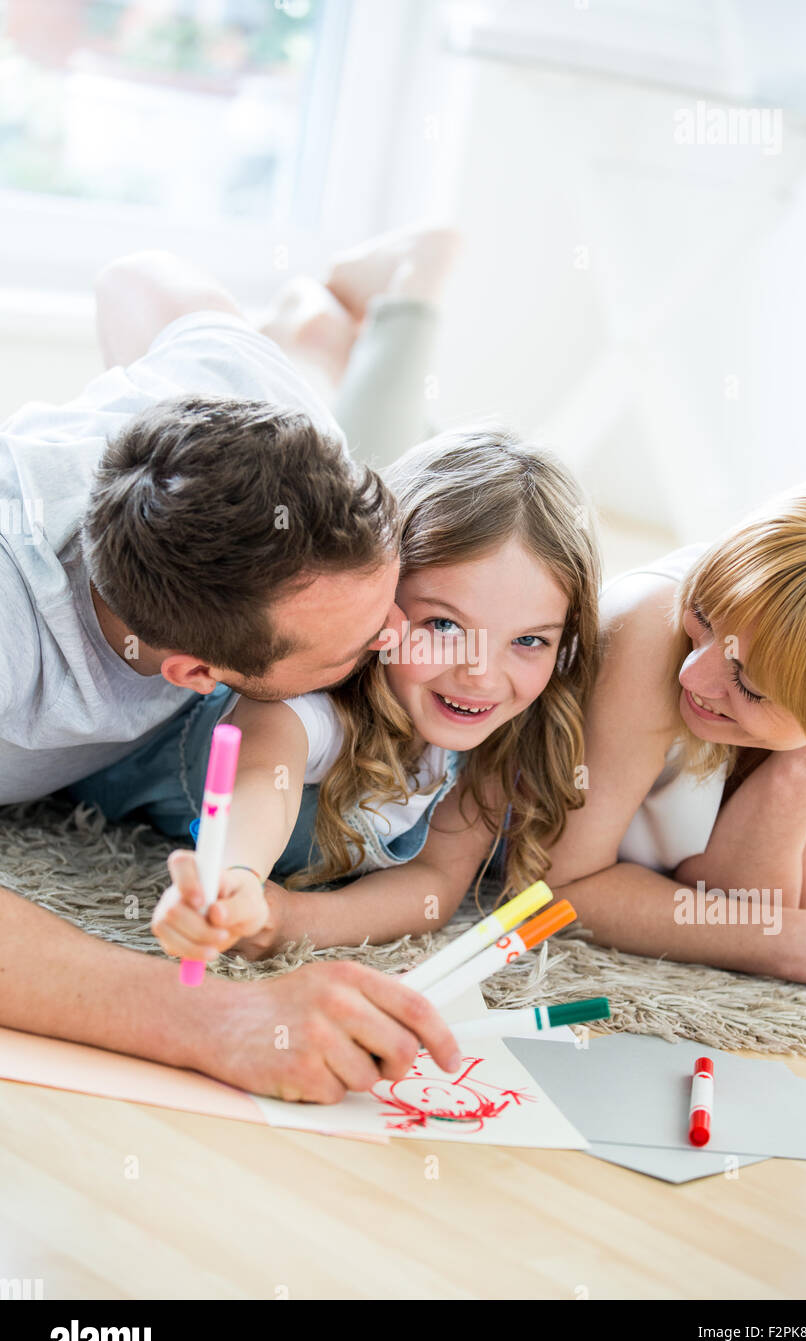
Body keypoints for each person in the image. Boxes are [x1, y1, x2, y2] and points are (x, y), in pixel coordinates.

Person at [0, 231, 474, 1102]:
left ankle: (325, 311)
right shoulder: (14, 642)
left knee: (315, 365)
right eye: (353, 643)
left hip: (232, 402)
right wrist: (210, 1021)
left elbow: (130, 270)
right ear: (192, 674)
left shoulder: (247, 402)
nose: (398, 641)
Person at [73, 429, 599, 964]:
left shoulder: (493, 734)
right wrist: (235, 873)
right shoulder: (309, 698)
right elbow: (260, 779)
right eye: (444, 625)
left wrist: (291, 920)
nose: (482, 677)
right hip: (94, 757)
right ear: (380, 602)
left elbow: (434, 882)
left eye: (529, 640)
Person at [545, 477, 806, 1001]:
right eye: (704, 616)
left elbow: (752, 905)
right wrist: (801, 944)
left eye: (747, 684)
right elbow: (558, 890)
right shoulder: (651, 622)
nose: (693, 675)